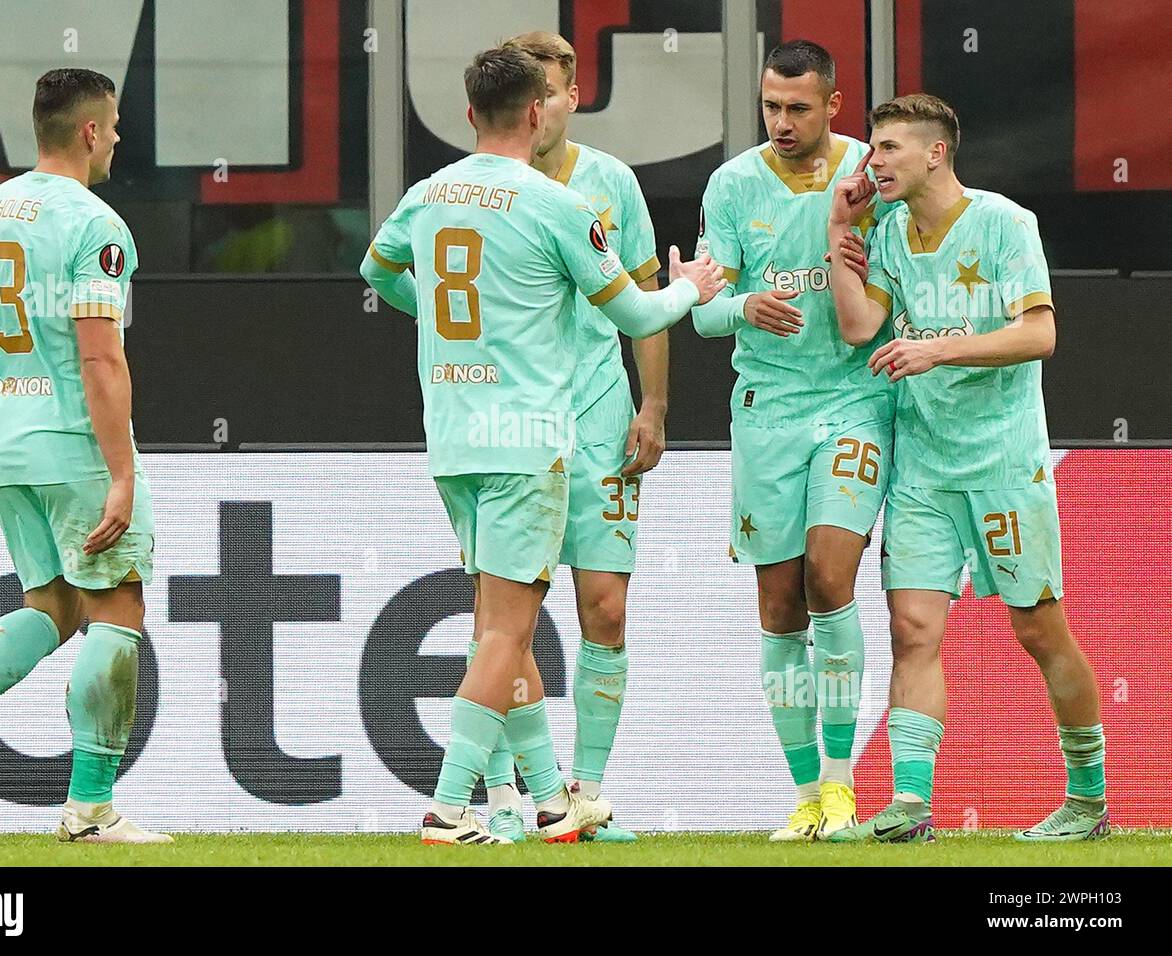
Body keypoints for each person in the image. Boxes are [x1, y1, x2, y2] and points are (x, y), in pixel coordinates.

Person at [361, 45, 723, 845]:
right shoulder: (556, 204)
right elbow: (634, 315)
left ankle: (556, 802)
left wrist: (456, 324)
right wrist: (692, 287)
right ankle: (451, 809)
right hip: (528, 436)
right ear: (536, 112)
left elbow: (376, 267)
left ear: (469, 115)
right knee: (506, 632)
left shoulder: (430, 193)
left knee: (502, 622)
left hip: (454, 437)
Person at [0, 68, 170, 845]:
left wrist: (9, 408)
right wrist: (120, 472)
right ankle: (90, 808)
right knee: (116, 610)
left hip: (7, 442)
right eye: (111, 125)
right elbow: (100, 359)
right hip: (75, 443)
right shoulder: (95, 224)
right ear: (88, 131)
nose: (116, 137)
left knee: (54, 604)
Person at [824, 93, 1109, 842]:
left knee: (1040, 631)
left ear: (935, 153)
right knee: (913, 628)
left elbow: (1039, 334)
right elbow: (859, 326)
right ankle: (910, 807)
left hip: (1003, 464)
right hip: (922, 468)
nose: (872, 161)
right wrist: (836, 233)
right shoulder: (886, 235)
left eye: (887, 148)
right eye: (872, 149)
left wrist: (937, 348)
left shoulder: (1006, 224)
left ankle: (1088, 801)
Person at [692, 40, 893, 840]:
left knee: (828, 571)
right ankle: (806, 794)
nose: (781, 121)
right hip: (767, 410)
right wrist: (743, 307)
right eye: (771, 106)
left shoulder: (872, 175)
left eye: (798, 107)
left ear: (834, 106)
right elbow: (702, 309)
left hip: (853, 398)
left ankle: (843, 786)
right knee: (779, 605)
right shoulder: (733, 184)